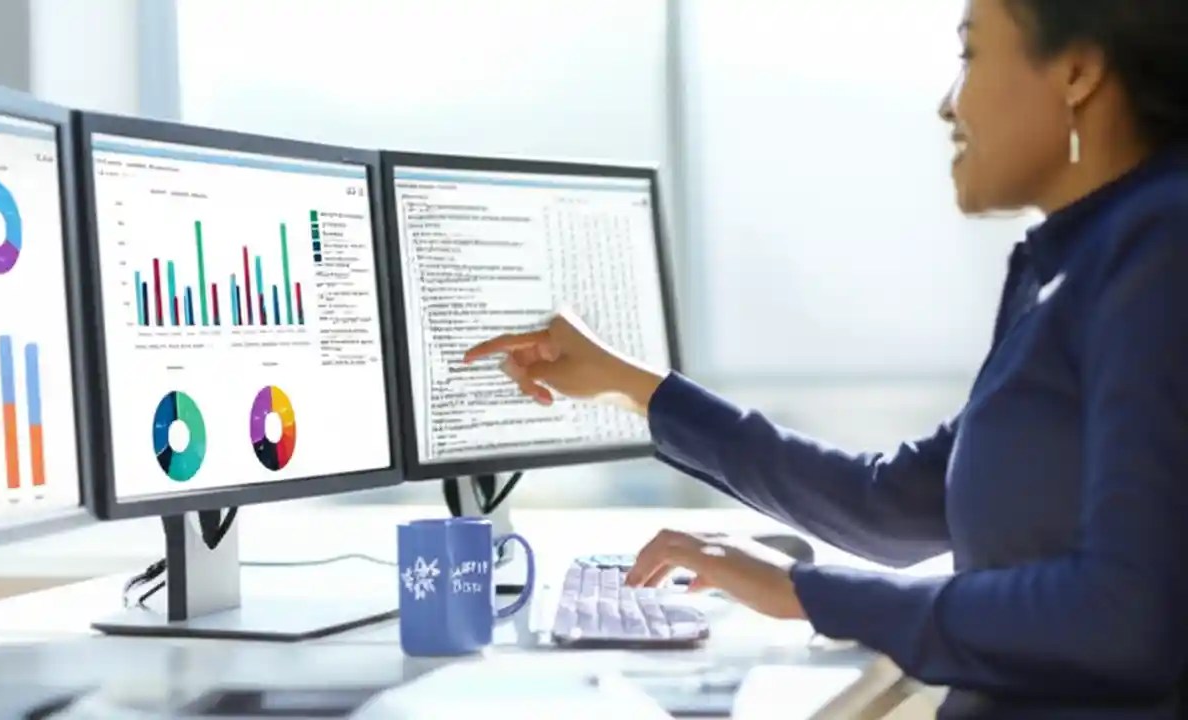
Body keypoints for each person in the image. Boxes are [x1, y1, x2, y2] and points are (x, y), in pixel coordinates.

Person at [463, 0, 1188, 717]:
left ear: (1077, 71)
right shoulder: (1066, 268)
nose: (948, 104)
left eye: (970, 54)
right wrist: (634, 388)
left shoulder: (1161, 251)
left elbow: (1122, 621)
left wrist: (813, 595)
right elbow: (895, 505)